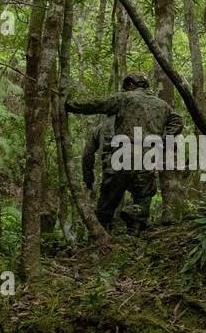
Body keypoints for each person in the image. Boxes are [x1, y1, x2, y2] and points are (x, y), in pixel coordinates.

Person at [67, 72, 183, 231]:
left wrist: (69, 105)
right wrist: (165, 138)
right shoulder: (163, 105)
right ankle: (134, 225)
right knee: (143, 198)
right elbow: (177, 121)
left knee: (107, 203)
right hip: (148, 157)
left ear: (130, 84)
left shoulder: (125, 98)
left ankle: (101, 237)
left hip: (122, 156)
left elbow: (96, 104)